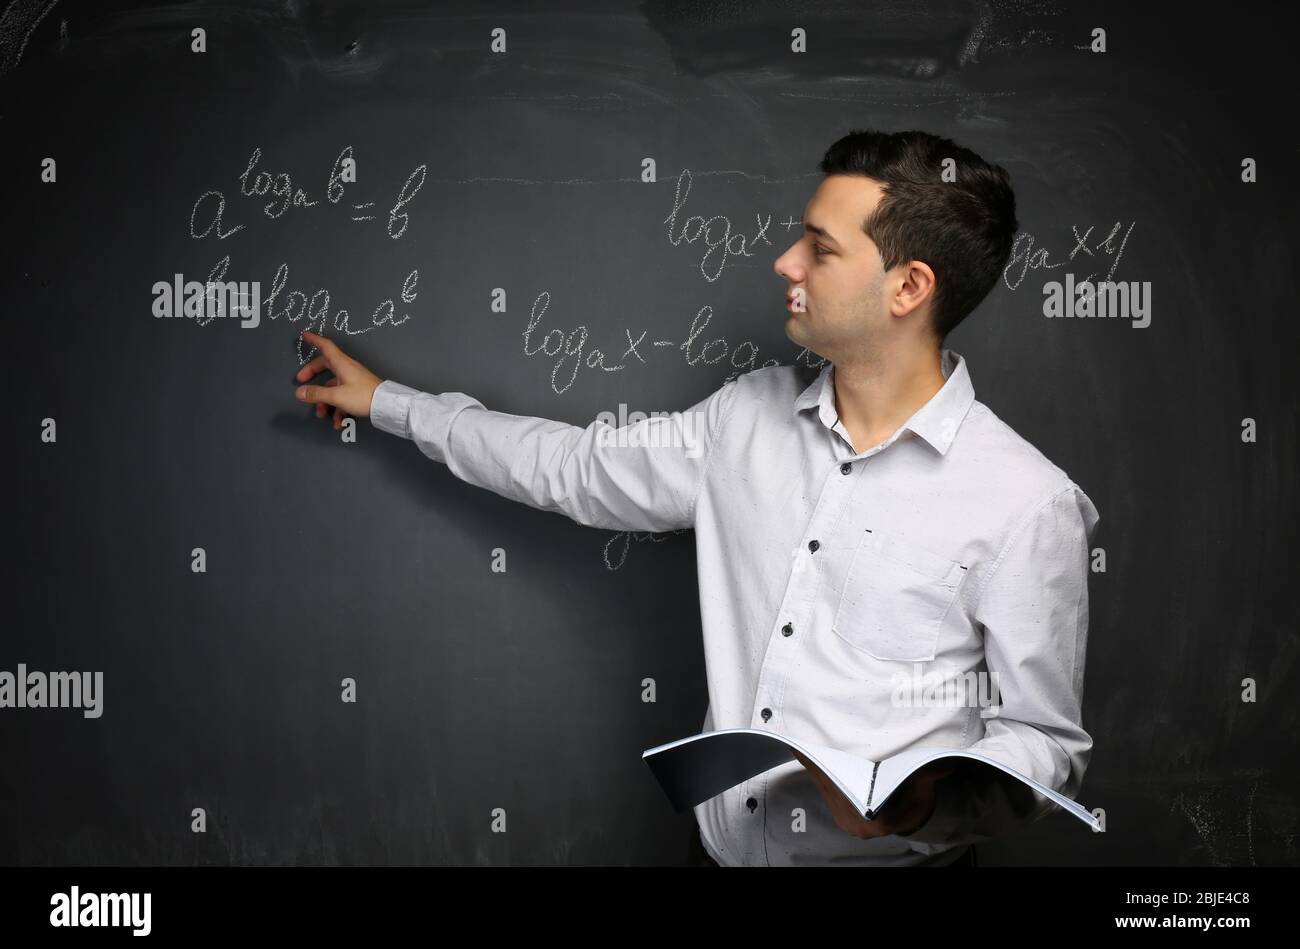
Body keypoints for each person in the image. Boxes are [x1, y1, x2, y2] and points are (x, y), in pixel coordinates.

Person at [292, 129, 1099, 867]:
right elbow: (572, 467)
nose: (786, 263)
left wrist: (929, 805)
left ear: (908, 287)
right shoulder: (742, 419)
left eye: (820, 249)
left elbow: (1044, 738)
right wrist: (389, 403)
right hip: (712, 858)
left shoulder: (1027, 503)